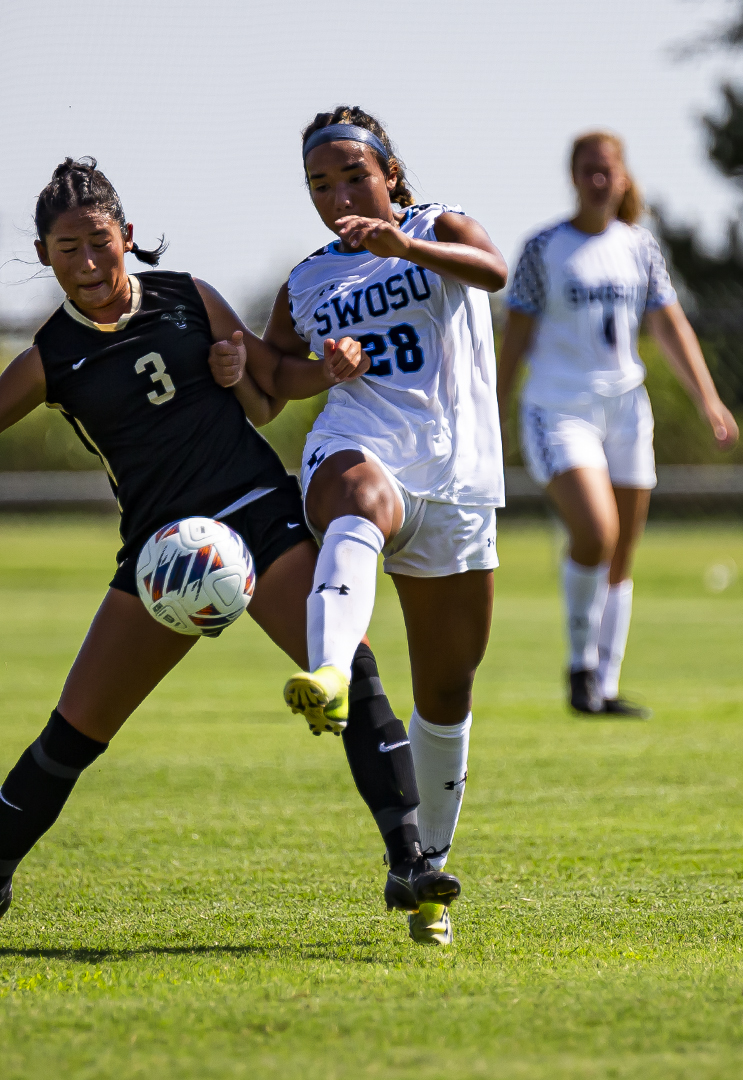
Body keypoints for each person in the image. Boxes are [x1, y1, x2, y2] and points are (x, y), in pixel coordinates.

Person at [0, 158, 460, 947]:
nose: (87, 263)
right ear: (44, 256)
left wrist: (288, 368)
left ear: (127, 235)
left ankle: (409, 861)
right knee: (70, 737)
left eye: (99, 242)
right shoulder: (50, 358)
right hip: (163, 556)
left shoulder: (189, 296)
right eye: (66, 249)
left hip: (260, 516)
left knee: (351, 669)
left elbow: (269, 391)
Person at [248, 107, 509, 947]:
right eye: (318, 184)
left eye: (353, 176)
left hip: (456, 483)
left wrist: (407, 247)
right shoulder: (307, 280)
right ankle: (329, 674)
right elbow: (272, 382)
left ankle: (427, 878)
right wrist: (314, 371)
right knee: (358, 498)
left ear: (390, 174)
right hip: (358, 446)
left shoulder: (439, 227)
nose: (337, 196)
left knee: (448, 693)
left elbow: (494, 271)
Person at [497, 131, 738, 717]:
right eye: (588, 169)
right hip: (559, 409)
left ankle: (604, 686)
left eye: (607, 170)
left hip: (627, 410)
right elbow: (517, 337)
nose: (598, 180)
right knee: (595, 532)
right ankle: (579, 667)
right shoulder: (543, 248)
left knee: (622, 551)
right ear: (572, 177)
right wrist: (493, 411)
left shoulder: (640, 246)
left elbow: (670, 325)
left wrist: (707, 398)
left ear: (624, 176)